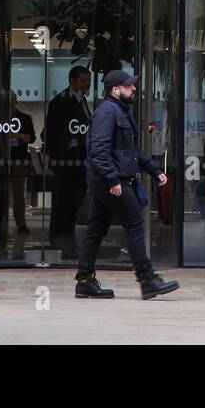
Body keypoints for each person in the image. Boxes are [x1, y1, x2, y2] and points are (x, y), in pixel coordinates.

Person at [75, 70, 179, 300]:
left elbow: (131, 151)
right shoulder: (107, 113)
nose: (133, 89)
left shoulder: (119, 112)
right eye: (128, 86)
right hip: (111, 181)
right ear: (115, 90)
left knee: (95, 230)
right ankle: (147, 279)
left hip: (107, 180)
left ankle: (84, 281)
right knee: (134, 224)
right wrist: (112, 179)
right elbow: (98, 151)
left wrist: (154, 170)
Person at [43, 65, 93, 255]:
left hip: (79, 161)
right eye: (83, 80)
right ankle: (60, 241)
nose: (87, 84)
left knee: (73, 203)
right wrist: (66, 147)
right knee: (63, 203)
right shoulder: (61, 101)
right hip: (66, 162)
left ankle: (67, 240)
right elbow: (53, 131)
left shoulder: (82, 101)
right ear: (72, 81)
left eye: (88, 80)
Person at [7, 94, 36, 235]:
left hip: (18, 158)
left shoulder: (24, 118)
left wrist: (19, 136)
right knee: (0, 192)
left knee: (19, 194)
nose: (11, 103)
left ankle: (21, 224)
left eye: (12, 100)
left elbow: (32, 138)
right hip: (2, 158)